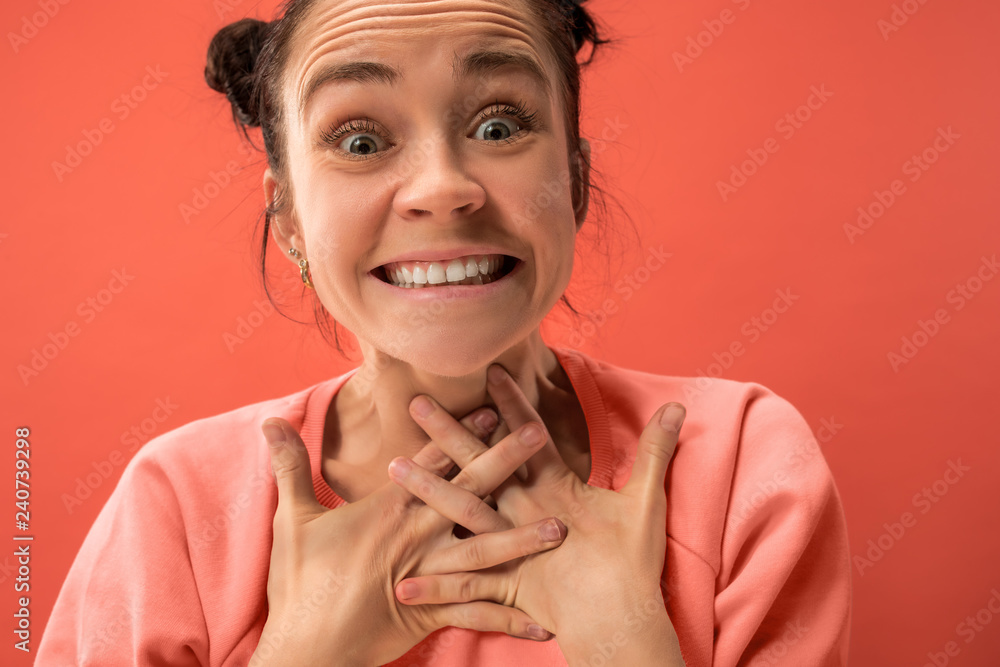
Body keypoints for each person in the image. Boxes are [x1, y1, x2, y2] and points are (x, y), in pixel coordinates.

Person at [37, 0, 852, 664]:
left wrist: (625, 639)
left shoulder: (741, 465)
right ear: (287, 219)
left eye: (499, 126)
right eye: (360, 141)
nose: (441, 187)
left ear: (574, 180)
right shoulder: (179, 508)